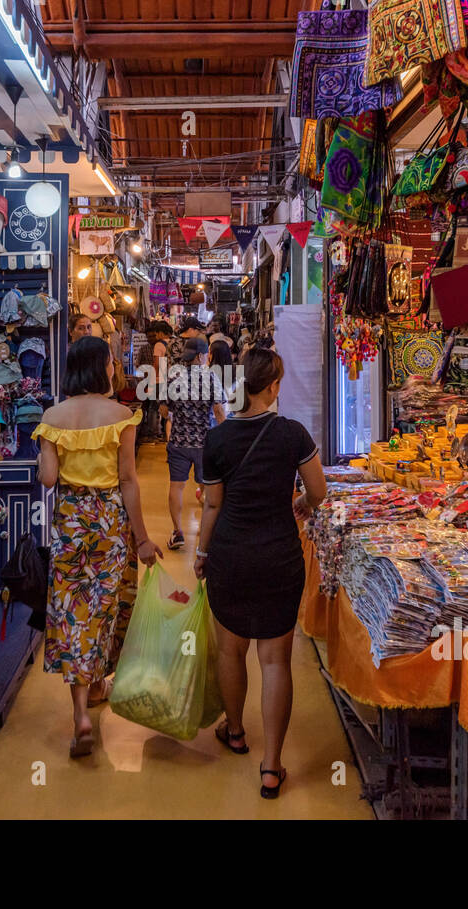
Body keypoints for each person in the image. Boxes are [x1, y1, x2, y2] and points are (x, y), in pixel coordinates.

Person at [195, 348, 327, 799]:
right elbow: (319, 492)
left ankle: (235, 732)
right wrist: (298, 506)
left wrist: (201, 552)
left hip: (230, 556)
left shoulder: (218, 440)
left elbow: (211, 505)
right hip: (279, 557)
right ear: (271, 386)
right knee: (275, 661)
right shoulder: (291, 434)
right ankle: (271, 767)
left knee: (230, 652)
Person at [33, 336, 161, 758]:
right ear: (102, 366)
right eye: (110, 362)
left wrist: (45, 451)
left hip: (70, 520)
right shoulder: (121, 415)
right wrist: (141, 538)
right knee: (104, 605)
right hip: (109, 524)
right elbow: (128, 480)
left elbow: (48, 480)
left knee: (72, 610)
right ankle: (99, 683)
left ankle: (80, 712)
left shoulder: (52, 417)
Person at [163, 337, 226, 550]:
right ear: (200, 356)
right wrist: (226, 435)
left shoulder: (174, 377)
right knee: (208, 488)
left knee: (177, 487)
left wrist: (177, 417)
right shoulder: (210, 378)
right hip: (205, 443)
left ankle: (177, 532)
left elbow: (165, 410)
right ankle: (209, 535)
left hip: (179, 442)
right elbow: (218, 410)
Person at [135, 320, 173, 442]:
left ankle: (153, 433)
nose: (154, 337)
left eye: (155, 334)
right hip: (170, 380)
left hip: (157, 380)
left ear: (160, 333)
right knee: (166, 407)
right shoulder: (175, 342)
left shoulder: (158, 345)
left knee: (153, 407)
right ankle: (165, 433)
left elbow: (156, 365)